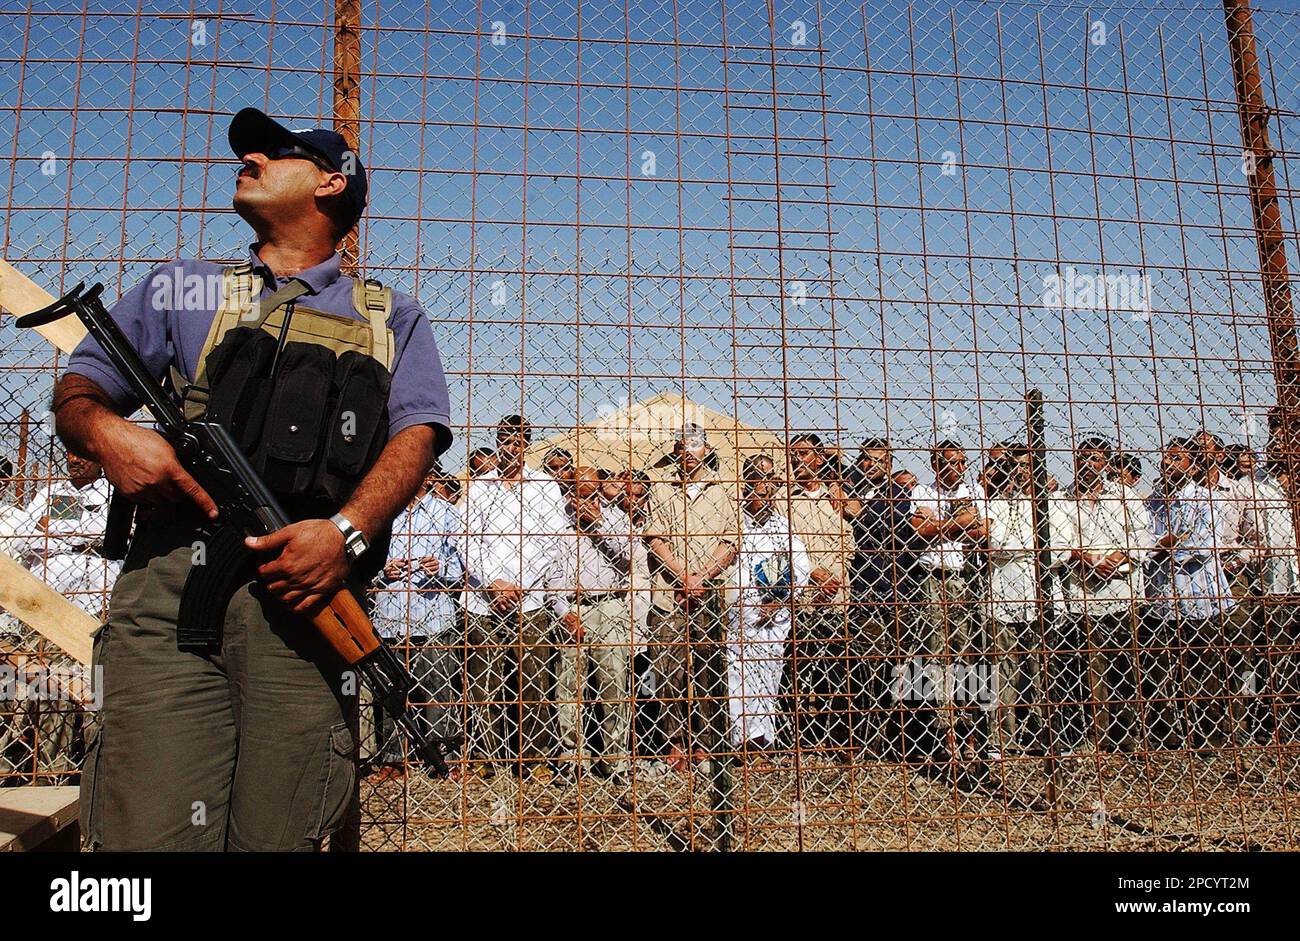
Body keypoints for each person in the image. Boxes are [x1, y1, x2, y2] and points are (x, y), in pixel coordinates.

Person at [52, 108, 451, 850]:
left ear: (334, 182)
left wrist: (343, 533)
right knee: (150, 829)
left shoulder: (393, 316)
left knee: (280, 829)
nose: (252, 158)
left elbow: (417, 437)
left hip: (306, 590)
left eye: (277, 152)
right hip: (171, 589)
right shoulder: (186, 289)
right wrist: (111, 435)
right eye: (251, 151)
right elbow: (81, 389)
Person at [458, 415, 569, 779]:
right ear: (497, 438)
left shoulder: (545, 487)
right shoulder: (480, 488)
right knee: (482, 680)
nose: (510, 446)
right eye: (505, 438)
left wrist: (517, 583)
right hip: (482, 598)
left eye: (518, 440)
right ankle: (487, 754)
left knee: (532, 678)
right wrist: (493, 582)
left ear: (527, 444)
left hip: (530, 598)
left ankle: (533, 756)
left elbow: (551, 543)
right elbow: (465, 540)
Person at [643, 424, 740, 772]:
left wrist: (702, 577)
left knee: (707, 669)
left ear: (706, 450)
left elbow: (730, 540)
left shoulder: (724, 489)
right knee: (667, 670)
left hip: (710, 594)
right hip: (669, 594)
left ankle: (705, 742)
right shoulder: (661, 487)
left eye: (695, 446)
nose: (688, 452)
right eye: (682, 446)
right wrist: (683, 576)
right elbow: (655, 538)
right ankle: (675, 742)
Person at [1051, 437, 1146, 754]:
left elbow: (1143, 538)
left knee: (1125, 666)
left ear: (1106, 464)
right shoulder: (1063, 500)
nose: (1088, 463)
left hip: (1120, 590)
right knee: (1088, 668)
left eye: (1095, 458)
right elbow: (1057, 543)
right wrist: (1084, 557)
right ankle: (1093, 732)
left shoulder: (1125, 497)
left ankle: (1126, 732)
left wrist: (1119, 557)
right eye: (1083, 457)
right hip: (1083, 594)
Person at [551, 466, 645, 782]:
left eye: (592, 493)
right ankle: (572, 758)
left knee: (615, 684)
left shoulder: (616, 518)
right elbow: (552, 575)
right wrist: (564, 611)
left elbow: (629, 557)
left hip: (609, 605)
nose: (586, 500)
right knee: (569, 688)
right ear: (570, 492)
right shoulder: (558, 521)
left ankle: (617, 761)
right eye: (580, 493)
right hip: (574, 607)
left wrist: (600, 525)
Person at [370, 467, 465, 777]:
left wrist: (440, 567)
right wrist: (384, 571)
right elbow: (363, 561)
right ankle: (395, 757)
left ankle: (439, 756)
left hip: (432, 617)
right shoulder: (383, 510)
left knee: (437, 689)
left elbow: (459, 568)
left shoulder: (447, 513)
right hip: (391, 616)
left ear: (429, 477)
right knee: (392, 692)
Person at [1145, 437, 1235, 750]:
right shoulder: (1153, 502)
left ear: (1192, 465)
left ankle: (1210, 736)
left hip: (1201, 597)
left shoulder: (1208, 500)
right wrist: (1166, 544)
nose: (1168, 463)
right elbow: (1143, 543)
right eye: (1165, 457)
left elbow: (1203, 547)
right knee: (1167, 670)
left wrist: (1163, 547)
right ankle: (1171, 734)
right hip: (1164, 600)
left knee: (1206, 668)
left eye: (1176, 458)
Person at [726, 457, 813, 761]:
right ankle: (742, 740)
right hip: (740, 615)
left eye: (770, 480)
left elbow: (800, 566)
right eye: (758, 479)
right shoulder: (734, 521)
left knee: (769, 674)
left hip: (774, 617)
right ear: (746, 483)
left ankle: (765, 737)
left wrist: (778, 598)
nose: (764, 487)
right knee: (738, 675)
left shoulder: (782, 526)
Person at [910, 441, 988, 761]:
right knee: (935, 656)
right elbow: (919, 532)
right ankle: (944, 731)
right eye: (950, 462)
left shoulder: (975, 492)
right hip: (933, 579)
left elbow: (982, 532)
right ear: (935, 465)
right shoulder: (921, 493)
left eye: (962, 461)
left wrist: (940, 525)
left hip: (966, 578)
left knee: (969, 655)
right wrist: (959, 521)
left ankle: (970, 731)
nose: (958, 468)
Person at [784, 434, 857, 751]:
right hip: (801, 595)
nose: (797, 460)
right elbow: (785, 545)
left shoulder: (838, 499)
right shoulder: (785, 501)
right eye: (793, 455)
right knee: (797, 668)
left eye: (803, 454)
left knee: (835, 669)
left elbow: (849, 547)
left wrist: (834, 579)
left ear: (819, 458)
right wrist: (813, 573)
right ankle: (796, 737)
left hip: (836, 595)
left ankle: (836, 738)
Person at [980, 445, 1043, 756]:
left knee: (1039, 670)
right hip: (1000, 596)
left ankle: (1041, 735)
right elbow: (995, 545)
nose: (1019, 474)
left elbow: (1055, 548)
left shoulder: (1046, 504)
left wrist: (1029, 547)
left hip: (1038, 597)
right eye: (1013, 468)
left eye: (1025, 467)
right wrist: (1030, 546)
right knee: (1002, 671)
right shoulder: (994, 506)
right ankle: (1002, 738)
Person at [10, 451, 120, 619]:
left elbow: (115, 535)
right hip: (49, 587)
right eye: (71, 454)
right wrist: (77, 543)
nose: (75, 460)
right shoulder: (51, 492)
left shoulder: (112, 494)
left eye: (82, 455)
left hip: (99, 585)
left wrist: (52, 528)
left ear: (100, 460)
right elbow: (23, 539)